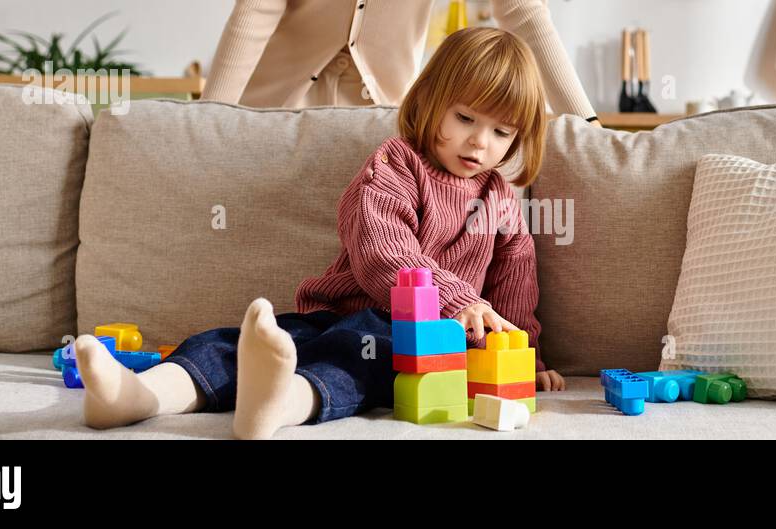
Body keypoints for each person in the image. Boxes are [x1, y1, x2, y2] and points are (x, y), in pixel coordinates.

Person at [75, 27, 565, 439]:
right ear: (433, 102)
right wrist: (457, 300)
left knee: (357, 356)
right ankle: (138, 396)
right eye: (465, 118)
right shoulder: (396, 164)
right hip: (334, 313)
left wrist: (526, 356)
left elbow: (514, 285)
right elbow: (382, 249)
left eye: (502, 133)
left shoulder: (500, 198)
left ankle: (280, 404)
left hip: (410, 341)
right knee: (232, 342)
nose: (480, 142)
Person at [203, 0, 602, 126]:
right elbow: (256, 8)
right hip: (271, 111)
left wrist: (587, 126)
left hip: (383, 116)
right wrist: (208, 119)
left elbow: (522, 11)